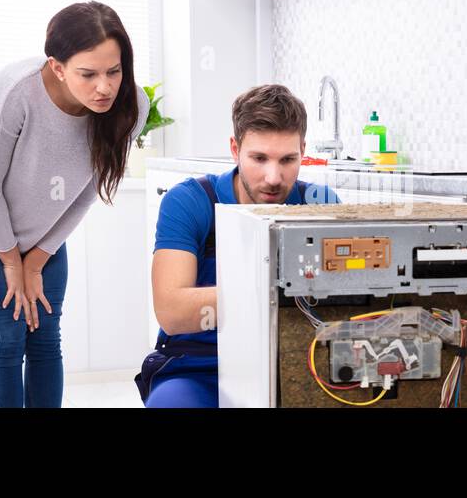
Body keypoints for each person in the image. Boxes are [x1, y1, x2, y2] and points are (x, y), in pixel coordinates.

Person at [0, 1, 147, 408]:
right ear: (58, 67)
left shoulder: (129, 107)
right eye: (88, 74)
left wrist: (37, 258)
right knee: (8, 334)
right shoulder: (17, 91)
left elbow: (86, 189)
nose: (105, 87)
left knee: (45, 333)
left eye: (114, 71)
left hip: (40, 225)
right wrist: (12, 261)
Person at [139, 84, 339, 408]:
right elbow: (173, 313)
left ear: (303, 150)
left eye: (288, 159)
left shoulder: (322, 204)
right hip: (199, 368)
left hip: (293, 365)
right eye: (259, 158)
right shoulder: (190, 201)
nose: (273, 177)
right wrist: (280, 292)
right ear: (235, 148)